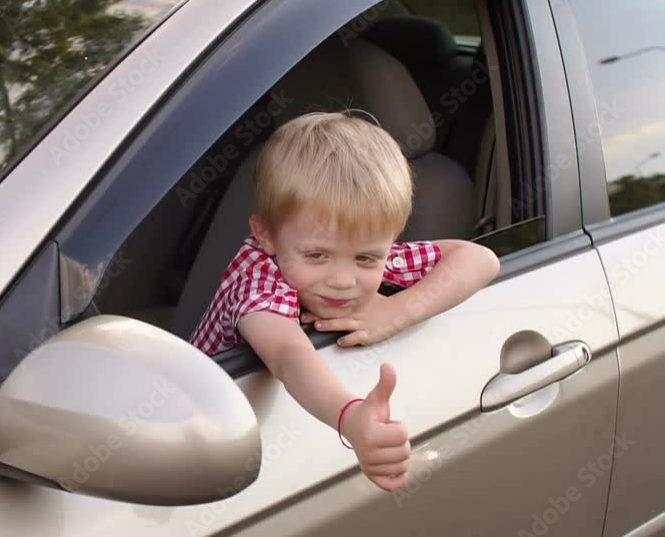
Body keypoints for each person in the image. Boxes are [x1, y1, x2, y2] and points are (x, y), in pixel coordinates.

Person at [189, 111, 500, 492]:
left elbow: (481, 259)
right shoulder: (255, 277)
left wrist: (396, 311)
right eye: (317, 256)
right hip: (191, 424)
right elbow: (287, 353)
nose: (343, 281)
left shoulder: (363, 253)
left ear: (390, 239)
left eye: (366, 259)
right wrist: (351, 419)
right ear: (266, 235)